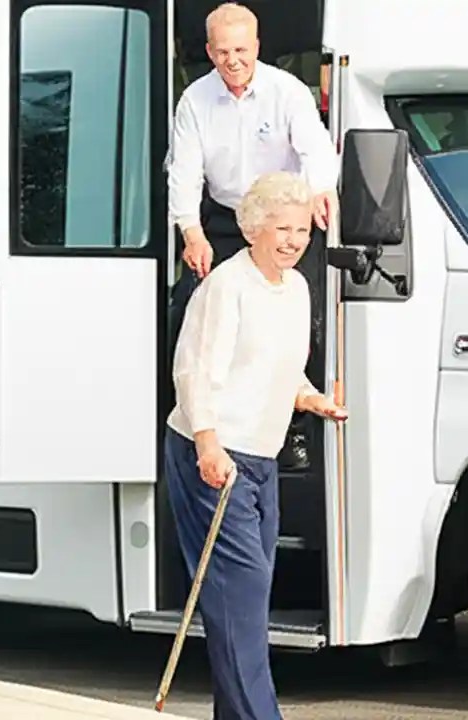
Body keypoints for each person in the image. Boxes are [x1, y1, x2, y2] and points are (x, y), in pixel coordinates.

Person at [165, 171, 347, 720]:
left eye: (301, 231)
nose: (293, 241)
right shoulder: (227, 285)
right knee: (240, 600)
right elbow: (196, 373)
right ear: (252, 229)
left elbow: (277, 369)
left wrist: (312, 399)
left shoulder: (296, 288)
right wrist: (208, 447)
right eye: (281, 229)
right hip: (214, 456)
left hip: (260, 457)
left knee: (243, 599)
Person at [165, 1, 341, 467]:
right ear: (209, 51)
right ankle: (196, 428)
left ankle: (293, 432)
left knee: (303, 322)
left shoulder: (287, 91)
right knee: (192, 308)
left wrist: (321, 189)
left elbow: (316, 148)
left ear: (257, 47)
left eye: (241, 50)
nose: (233, 61)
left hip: (282, 215)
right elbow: (184, 174)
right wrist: (191, 232)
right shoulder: (195, 101)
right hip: (224, 218)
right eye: (222, 52)